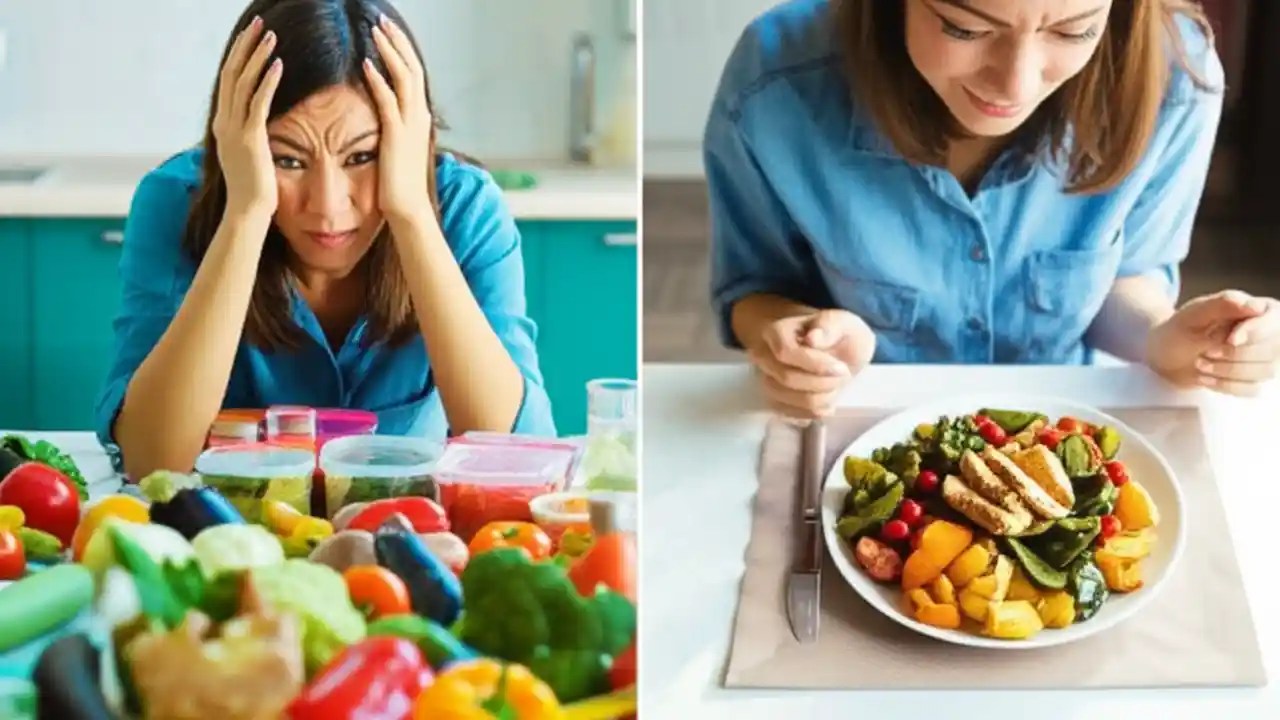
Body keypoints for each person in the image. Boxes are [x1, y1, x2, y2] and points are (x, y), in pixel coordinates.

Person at [705, 0, 1280, 419]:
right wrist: (793, 337)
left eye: (1073, 31)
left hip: (1067, 419)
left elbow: (1125, 278)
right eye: (966, 26)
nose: (1016, 82)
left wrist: (1167, 339)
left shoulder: (1176, 77)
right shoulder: (773, 83)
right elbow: (752, 289)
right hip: (853, 423)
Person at [96, 0, 555, 479]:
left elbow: (516, 453)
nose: (328, 207)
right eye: (288, 160)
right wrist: (247, 213)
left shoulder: (465, 206)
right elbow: (152, 462)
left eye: (361, 156)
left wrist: (413, 213)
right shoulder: (175, 202)